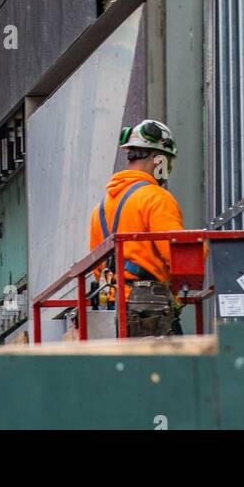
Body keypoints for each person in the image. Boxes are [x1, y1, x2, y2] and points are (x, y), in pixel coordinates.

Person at [89, 120, 184, 337]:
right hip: (150, 308)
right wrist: (203, 249)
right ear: (159, 160)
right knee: (178, 369)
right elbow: (176, 253)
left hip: (114, 307)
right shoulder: (156, 198)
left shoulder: (101, 208)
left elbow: (97, 267)